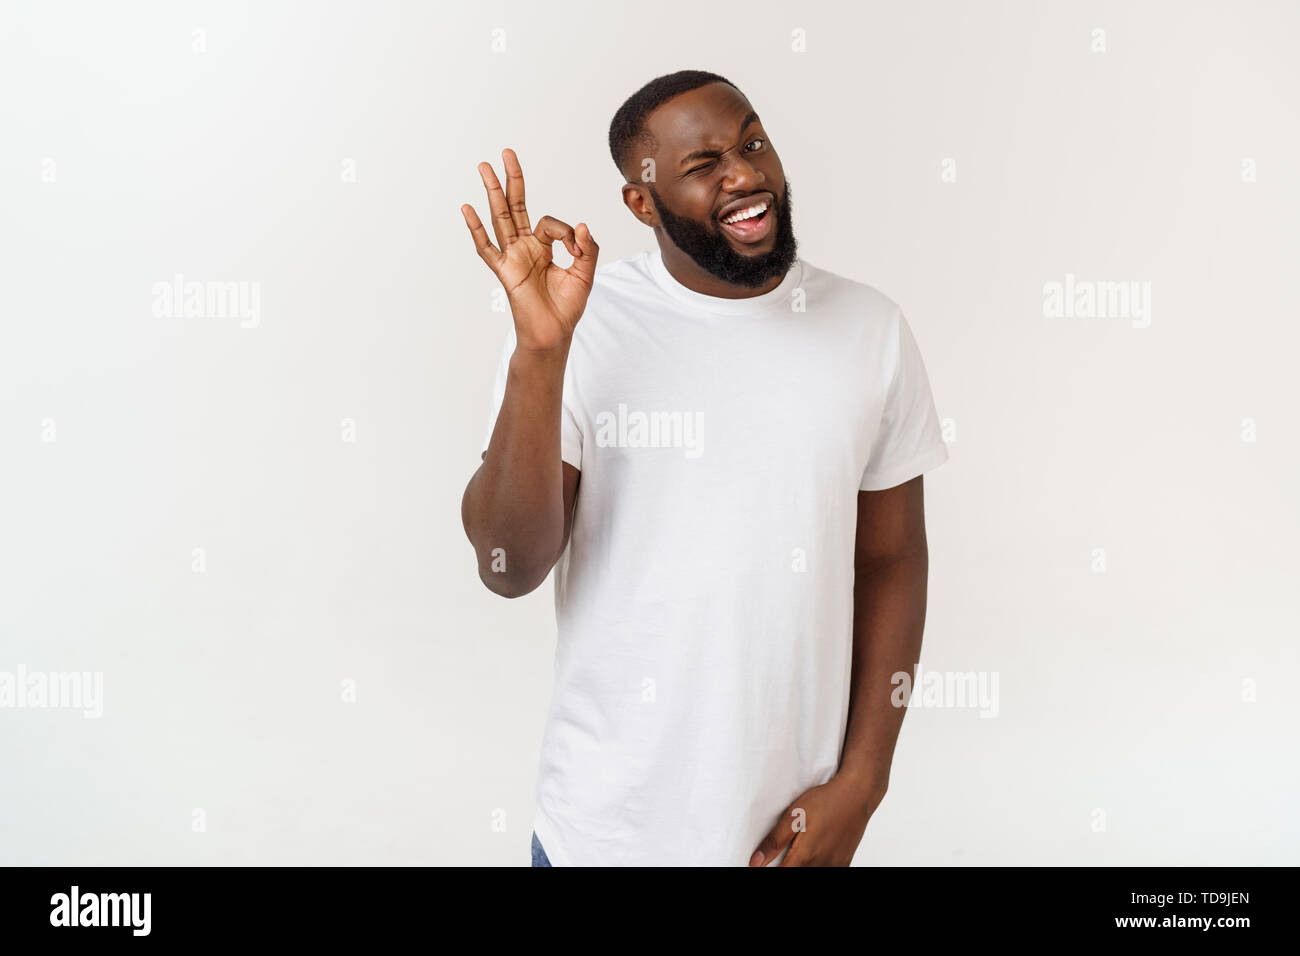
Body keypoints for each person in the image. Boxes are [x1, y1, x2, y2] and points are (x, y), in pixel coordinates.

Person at [460, 70, 949, 866]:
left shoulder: (871, 330)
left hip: (788, 839)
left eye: (753, 141)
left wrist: (862, 783)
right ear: (641, 203)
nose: (746, 173)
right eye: (704, 163)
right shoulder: (586, 326)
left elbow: (892, 561)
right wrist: (541, 356)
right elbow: (508, 565)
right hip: (604, 836)